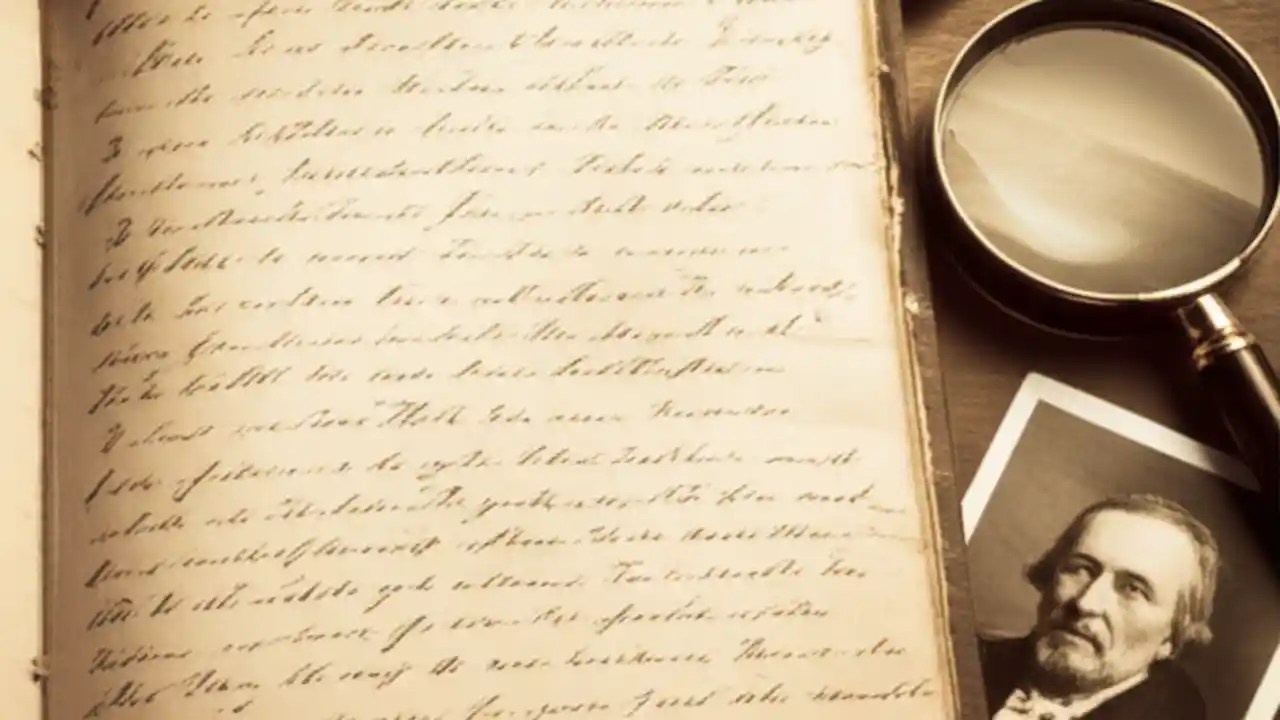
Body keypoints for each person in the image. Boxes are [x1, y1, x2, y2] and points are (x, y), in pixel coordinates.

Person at [979, 493, 1220, 720]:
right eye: (1081, 569)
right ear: (1049, 574)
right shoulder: (974, 661)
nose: (1086, 603)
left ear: (1171, 636)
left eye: (1133, 589)